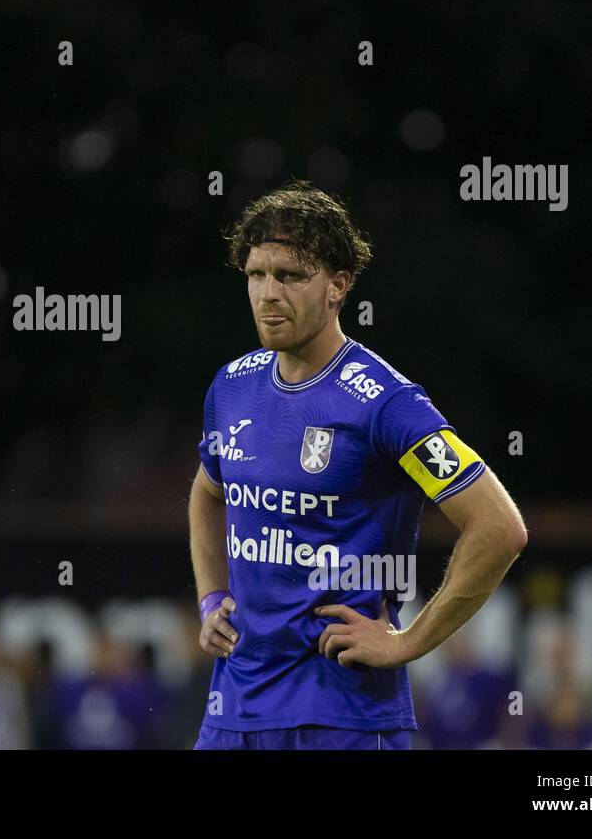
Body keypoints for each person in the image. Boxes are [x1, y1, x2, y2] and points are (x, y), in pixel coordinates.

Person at [188, 181, 528, 750]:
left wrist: (408, 641)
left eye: (291, 276)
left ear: (338, 287)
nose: (268, 293)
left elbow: (499, 527)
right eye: (256, 274)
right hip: (234, 709)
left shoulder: (386, 403)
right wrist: (209, 596)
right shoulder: (233, 386)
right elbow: (206, 492)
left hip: (343, 716)